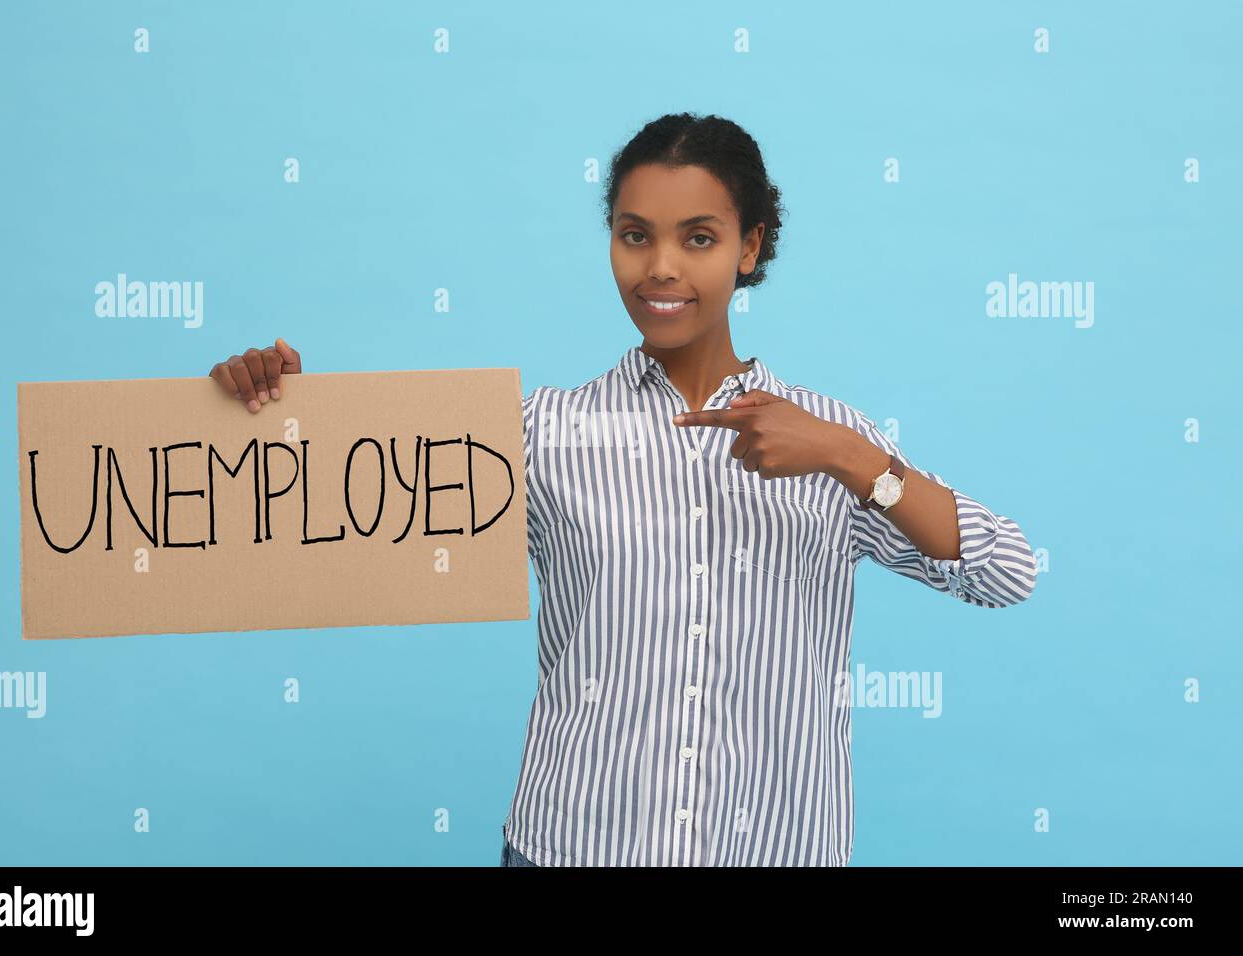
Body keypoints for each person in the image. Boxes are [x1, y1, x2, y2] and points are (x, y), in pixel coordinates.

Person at [207, 113, 1037, 867]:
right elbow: (344, 520)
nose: (662, 267)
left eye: (700, 238)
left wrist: (852, 459)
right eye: (635, 236)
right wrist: (273, 417)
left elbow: (1007, 572)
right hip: (570, 848)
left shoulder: (830, 439)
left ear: (750, 248)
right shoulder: (539, 433)